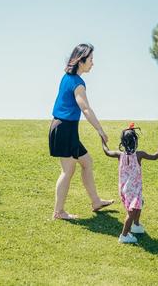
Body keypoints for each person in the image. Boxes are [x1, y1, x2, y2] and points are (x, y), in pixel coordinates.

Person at [49, 43, 114, 220]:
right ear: (81, 60)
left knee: (86, 162)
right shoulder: (78, 83)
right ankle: (59, 212)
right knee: (67, 170)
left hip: (66, 128)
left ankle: (95, 201)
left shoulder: (68, 78)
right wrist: (100, 130)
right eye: (91, 59)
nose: (93, 63)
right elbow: (85, 109)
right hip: (64, 129)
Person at [102, 123, 158, 243]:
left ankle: (136, 226)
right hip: (133, 189)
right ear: (135, 141)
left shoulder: (119, 155)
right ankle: (124, 235)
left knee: (140, 203)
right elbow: (154, 157)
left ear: (123, 142)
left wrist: (102, 140)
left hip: (125, 189)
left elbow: (106, 151)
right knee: (131, 212)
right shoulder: (139, 155)